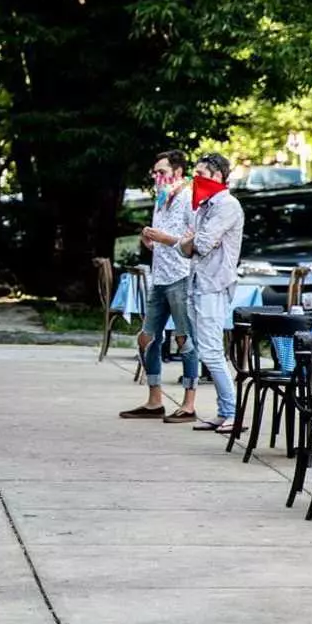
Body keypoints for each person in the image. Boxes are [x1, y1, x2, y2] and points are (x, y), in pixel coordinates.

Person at [121, 151, 202, 422]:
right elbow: (164, 240)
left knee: (184, 340)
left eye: (161, 171)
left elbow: (193, 242)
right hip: (160, 277)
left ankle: (189, 404)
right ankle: (154, 400)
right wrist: (151, 242)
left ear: (178, 172)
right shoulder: (160, 198)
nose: (156, 176)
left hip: (181, 277)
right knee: (147, 338)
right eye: (154, 172)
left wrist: (165, 239)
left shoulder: (190, 198)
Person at [174, 153, 245, 433]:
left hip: (214, 284)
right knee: (206, 349)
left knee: (213, 352)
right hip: (198, 281)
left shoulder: (227, 205)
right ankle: (224, 411)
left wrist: (190, 241)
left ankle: (233, 413)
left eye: (203, 173)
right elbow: (184, 247)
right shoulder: (204, 205)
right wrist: (189, 241)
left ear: (218, 176)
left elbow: (200, 244)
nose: (197, 178)